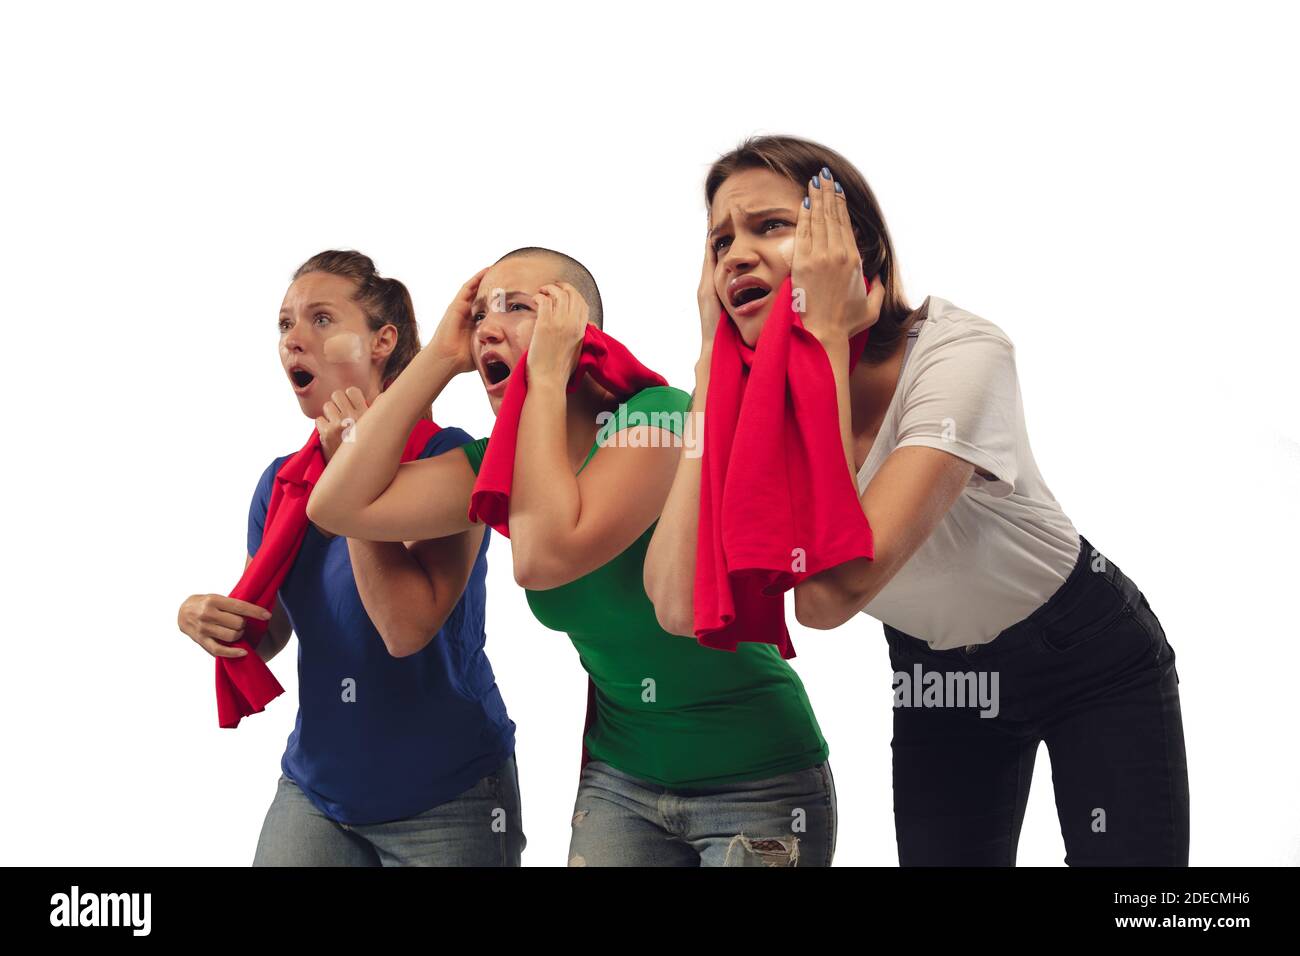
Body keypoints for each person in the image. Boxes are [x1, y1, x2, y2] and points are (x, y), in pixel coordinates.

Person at [645, 136, 1189, 866]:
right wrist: (711, 368)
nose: (734, 255)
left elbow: (834, 590)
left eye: (769, 226)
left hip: (1084, 653)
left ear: (853, 248)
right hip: (940, 681)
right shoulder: (750, 403)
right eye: (719, 242)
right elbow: (678, 604)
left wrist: (825, 340)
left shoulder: (962, 354)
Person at [307, 246, 837, 867]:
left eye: (519, 308)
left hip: (759, 780)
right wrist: (438, 359)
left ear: (579, 336)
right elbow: (338, 507)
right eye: (480, 317)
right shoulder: (491, 465)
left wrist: (550, 380)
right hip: (622, 782)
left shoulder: (658, 418)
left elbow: (546, 556)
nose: (488, 329)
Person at [177, 250, 523, 866]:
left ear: (382, 341)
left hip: (451, 797)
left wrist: (349, 475)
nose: (294, 340)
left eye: (320, 319)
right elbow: (275, 631)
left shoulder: (452, 461)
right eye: (285, 325)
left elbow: (404, 628)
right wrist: (208, 619)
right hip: (319, 791)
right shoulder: (280, 485)